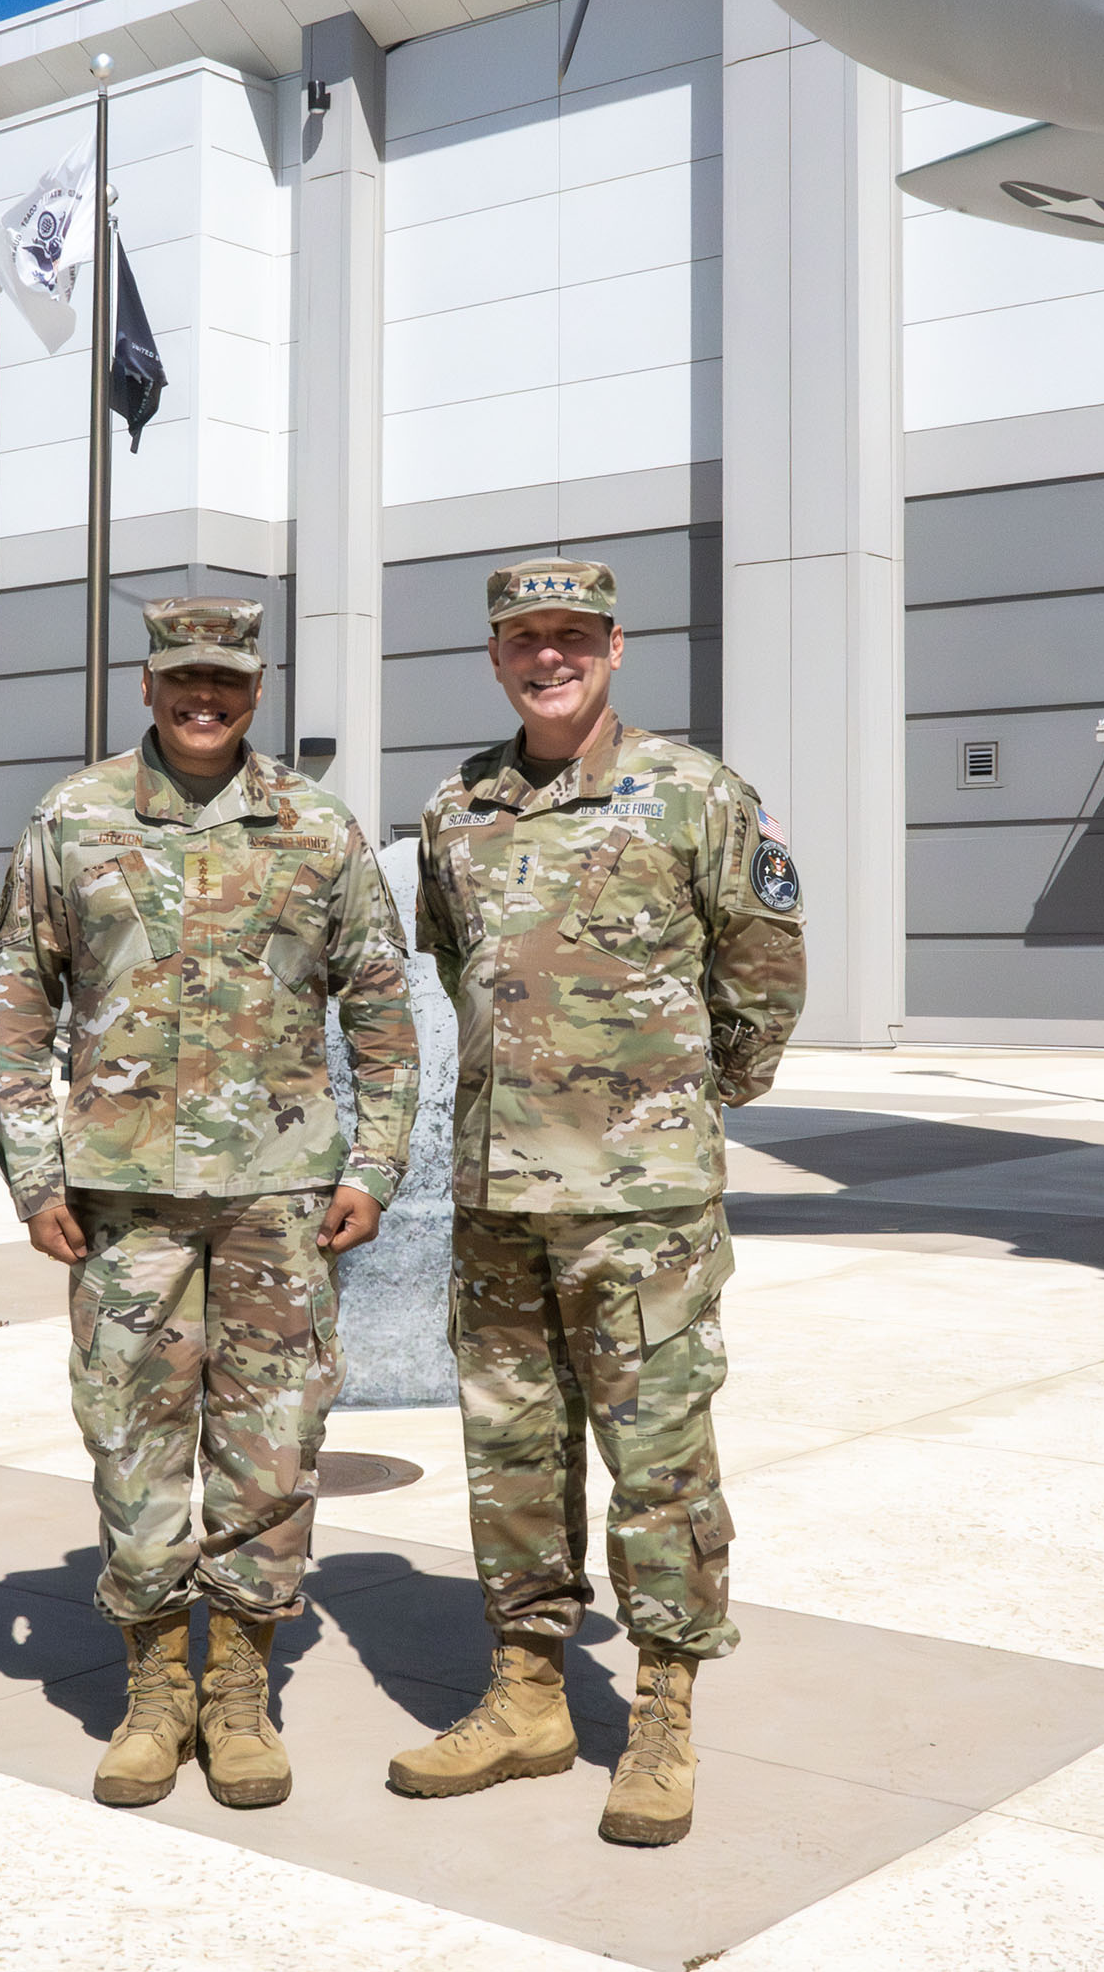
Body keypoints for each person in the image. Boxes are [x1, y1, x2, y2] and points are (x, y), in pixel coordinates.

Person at [385, 559, 806, 1847]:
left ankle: (663, 1707)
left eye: (571, 637)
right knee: (510, 1453)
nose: (547, 658)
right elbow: (454, 964)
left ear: (615, 646)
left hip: (641, 1203)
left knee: (658, 1460)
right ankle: (526, 1693)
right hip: (498, 1190)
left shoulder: (693, 793)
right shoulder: (458, 803)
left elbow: (764, 969)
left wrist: (682, 1111)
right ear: (497, 654)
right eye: (525, 639)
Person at [0, 594, 416, 1812]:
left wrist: (373, 1165)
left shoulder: (316, 828)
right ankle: (152, 1681)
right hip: (121, 1196)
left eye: (225, 679)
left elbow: (379, 1012)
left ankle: (236, 1680)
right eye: (183, 677)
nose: (203, 697)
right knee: (129, 1437)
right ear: (148, 684)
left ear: (256, 690)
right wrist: (30, 1167)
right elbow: (16, 1000)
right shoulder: (74, 819)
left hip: (281, 1193)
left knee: (274, 1443)